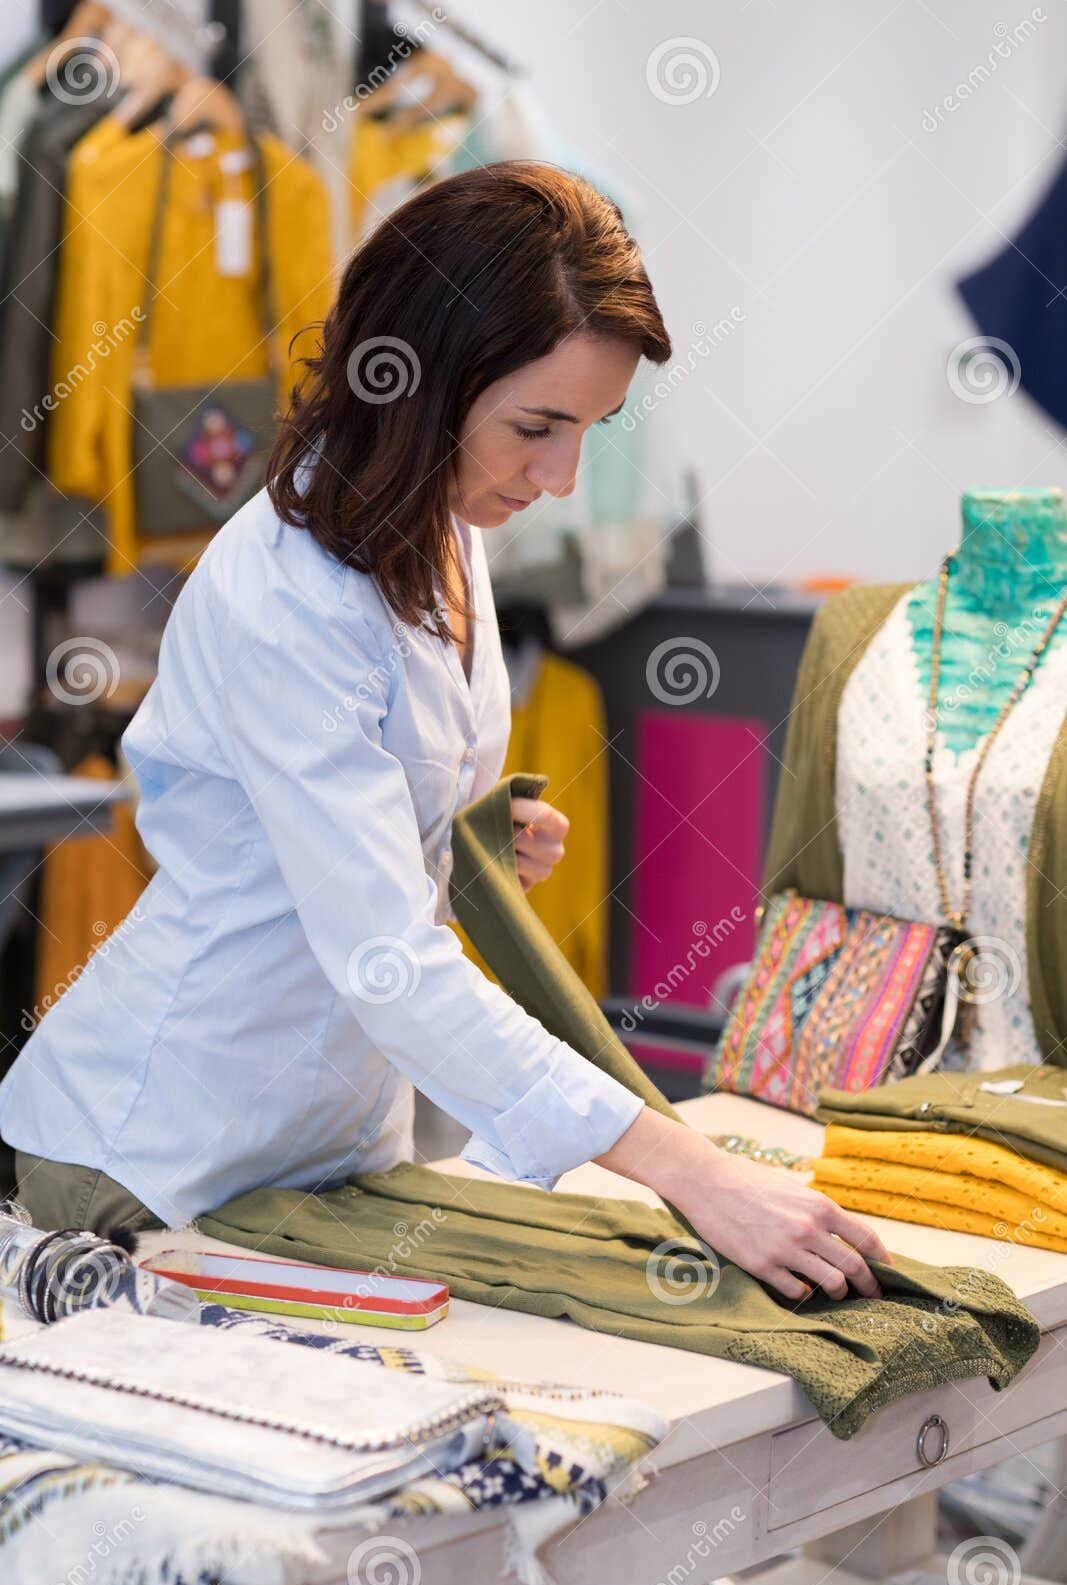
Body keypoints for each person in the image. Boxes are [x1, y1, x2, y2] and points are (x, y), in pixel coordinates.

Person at [1, 160, 889, 1302]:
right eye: (536, 427)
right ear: (417, 382)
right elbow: (386, 959)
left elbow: (364, 819)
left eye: (589, 431)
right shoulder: (288, 596)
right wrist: (688, 1170)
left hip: (322, 1151)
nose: (559, 477)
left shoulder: (443, 526)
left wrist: (465, 839)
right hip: (156, 1155)